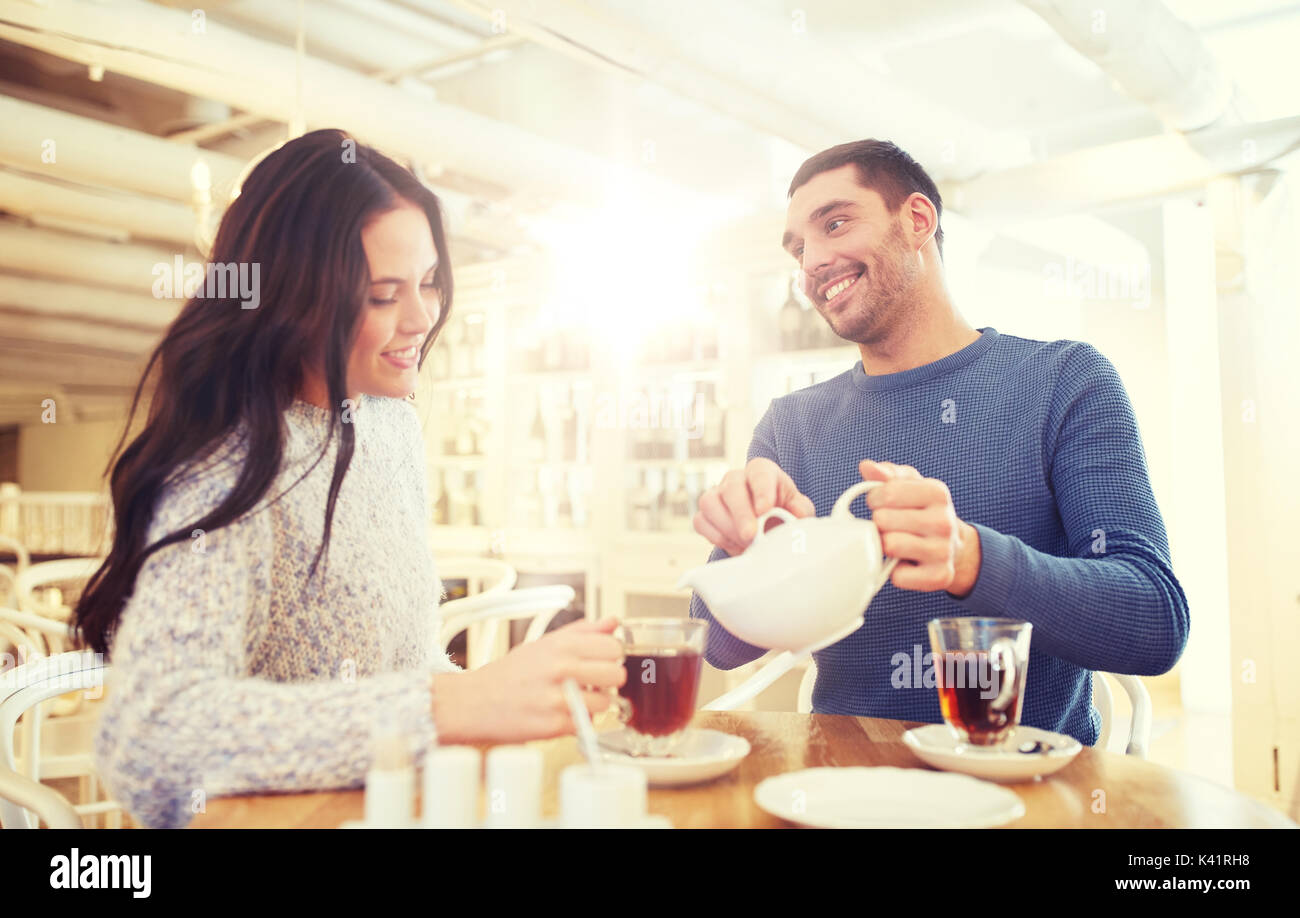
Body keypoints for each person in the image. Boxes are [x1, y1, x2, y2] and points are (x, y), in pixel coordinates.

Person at [75, 129, 624, 829]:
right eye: (382, 295)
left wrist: (503, 698)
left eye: (428, 283)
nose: (423, 318)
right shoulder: (228, 467)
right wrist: (452, 705)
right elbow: (150, 739)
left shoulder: (387, 426)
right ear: (291, 300)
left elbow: (406, 667)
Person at [688, 139, 1189, 745]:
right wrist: (755, 554)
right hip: (846, 792)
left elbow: (1154, 623)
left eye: (836, 223)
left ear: (918, 221)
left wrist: (971, 559)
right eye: (798, 248)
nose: (812, 262)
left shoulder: (1064, 383)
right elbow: (714, 644)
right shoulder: (792, 425)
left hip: (1023, 790)